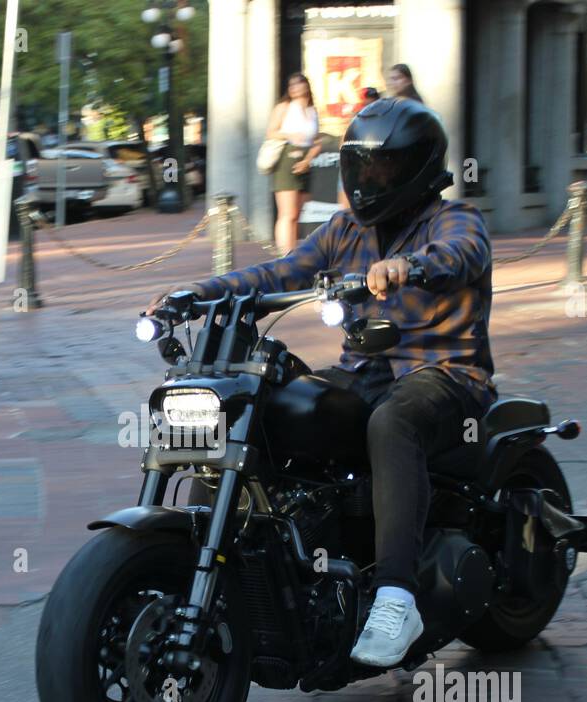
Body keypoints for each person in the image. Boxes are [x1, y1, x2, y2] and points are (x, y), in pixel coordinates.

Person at [146, 97, 494, 668]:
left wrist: (410, 267)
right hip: (365, 373)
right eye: (361, 167)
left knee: (394, 421)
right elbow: (277, 274)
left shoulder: (454, 219)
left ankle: (396, 595)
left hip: (447, 376)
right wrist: (197, 294)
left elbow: (462, 254)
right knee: (273, 406)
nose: (368, 180)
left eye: (382, 168)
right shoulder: (344, 230)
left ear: (416, 170)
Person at [267, 73, 322, 254]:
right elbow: (271, 132)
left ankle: (292, 251)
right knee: (287, 213)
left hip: (306, 159)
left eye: (299, 84)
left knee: (297, 213)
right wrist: (289, 135)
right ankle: (284, 254)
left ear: (306, 85)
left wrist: (308, 160)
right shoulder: (284, 107)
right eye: (291, 85)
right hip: (288, 156)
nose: (295, 88)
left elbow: (316, 140)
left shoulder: (312, 110)